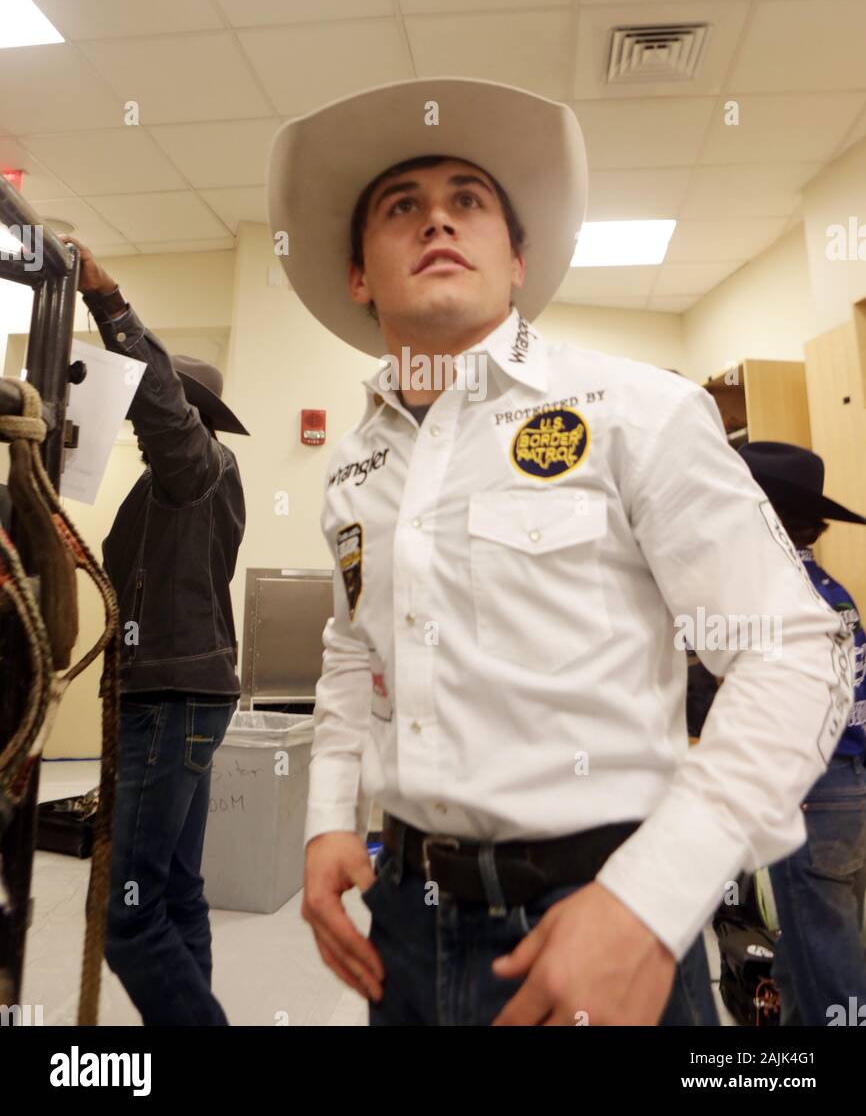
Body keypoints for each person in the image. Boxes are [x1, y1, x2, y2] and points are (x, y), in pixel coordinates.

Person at [267, 77, 853, 1027]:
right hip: (408, 924)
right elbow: (353, 649)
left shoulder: (635, 411)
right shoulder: (354, 463)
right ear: (359, 276)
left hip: (599, 913)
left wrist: (650, 904)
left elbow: (794, 650)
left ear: (516, 260)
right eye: (401, 206)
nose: (437, 221)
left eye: (469, 200)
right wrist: (333, 814)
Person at [64, 236, 248, 1027]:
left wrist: (109, 304)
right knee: (175, 892)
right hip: (186, 697)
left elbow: (166, 415)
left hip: (168, 703)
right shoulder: (176, 492)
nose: (143, 423)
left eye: (155, 408)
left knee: (128, 918)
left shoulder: (197, 468)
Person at [739, 442, 866, 1026]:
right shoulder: (828, 587)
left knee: (832, 986)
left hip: (812, 794)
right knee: (809, 960)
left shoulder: (772, 593)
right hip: (849, 789)